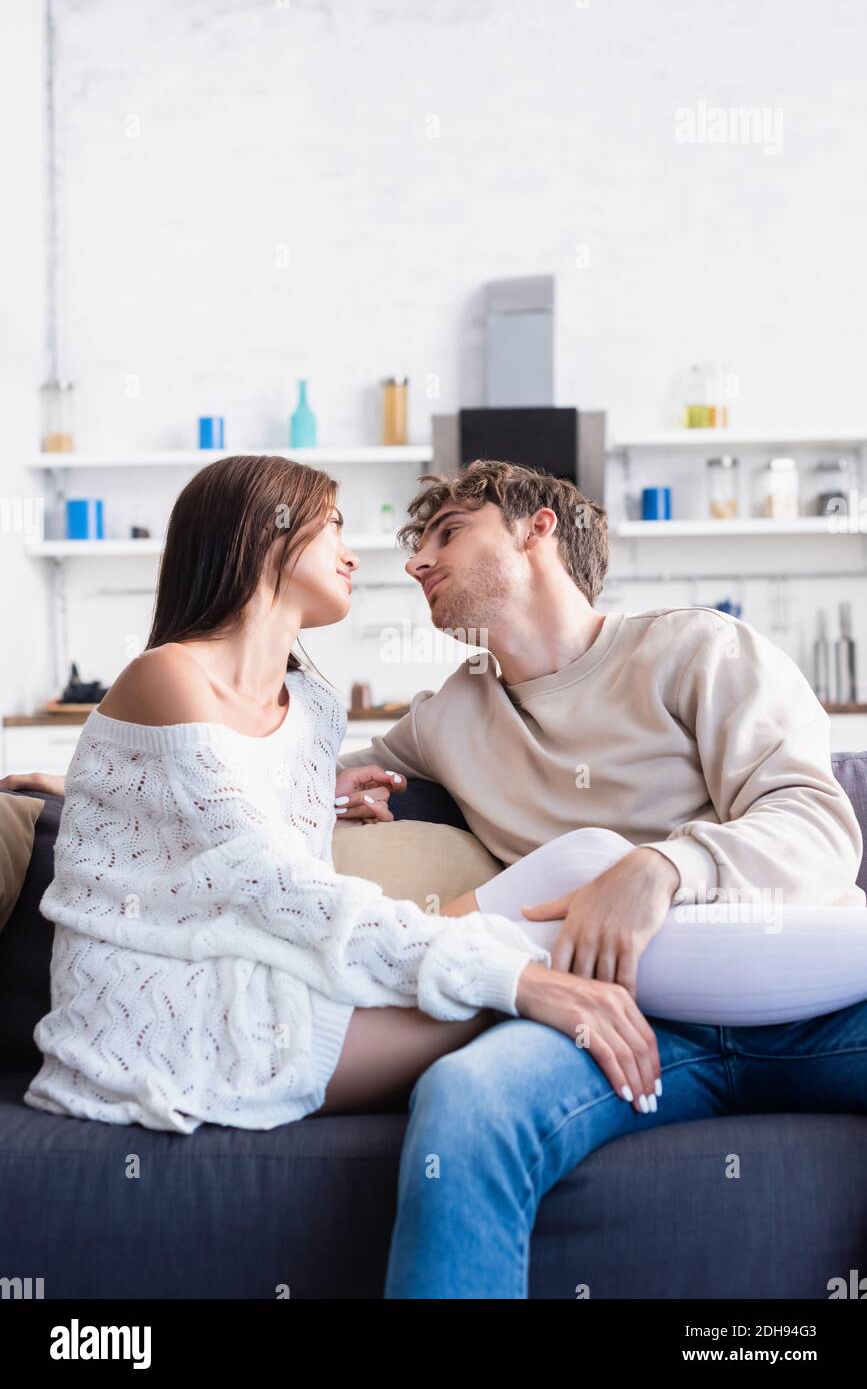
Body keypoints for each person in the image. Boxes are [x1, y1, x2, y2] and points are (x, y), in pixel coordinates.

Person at [7, 455, 867, 1298]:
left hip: (795, 994)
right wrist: (87, 784)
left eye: (447, 533)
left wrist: (665, 867)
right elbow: (245, 790)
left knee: (604, 861)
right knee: (464, 1100)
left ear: (538, 532)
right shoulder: (448, 715)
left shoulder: (698, 650)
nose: (413, 559)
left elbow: (820, 828)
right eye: (413, 541)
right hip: (601, 1011)